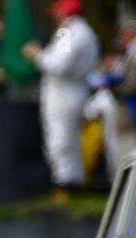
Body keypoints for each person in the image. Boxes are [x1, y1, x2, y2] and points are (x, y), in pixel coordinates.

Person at [23, 0, 99, 197]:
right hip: (72, 91)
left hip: (64, 93)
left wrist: (37, 55)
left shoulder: (69, 32)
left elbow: (59, 65)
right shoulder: (83, 31)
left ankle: (66, 186)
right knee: (68, 141)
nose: (55, 15)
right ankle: (73, 183)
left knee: (61, 141)